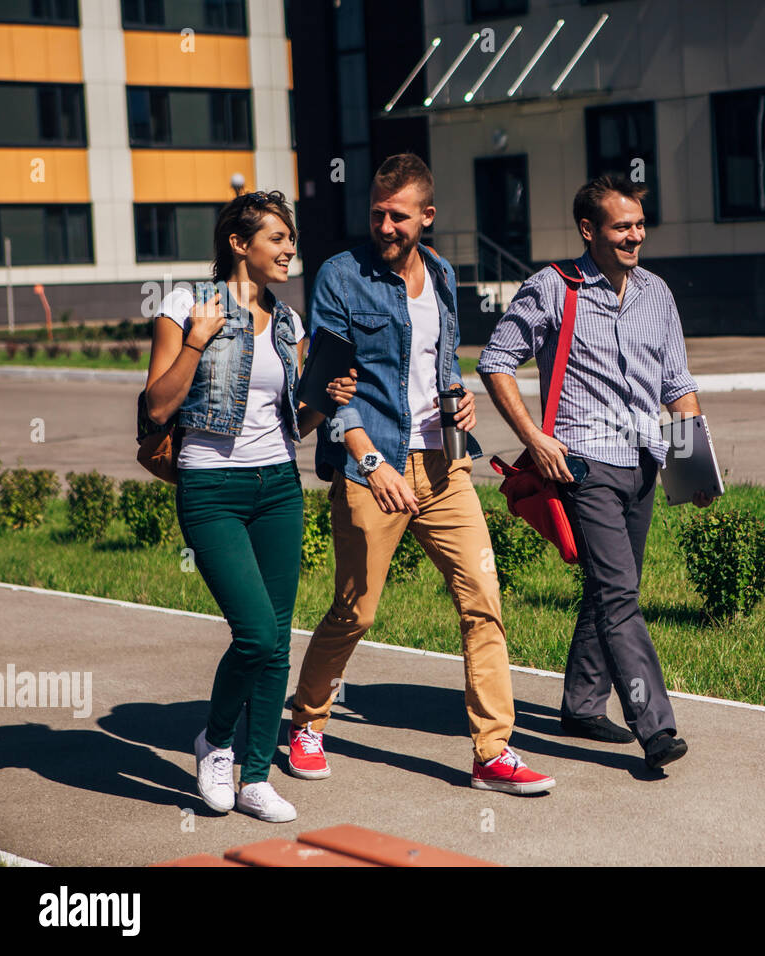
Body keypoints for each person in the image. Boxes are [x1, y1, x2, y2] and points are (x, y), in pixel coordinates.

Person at [287, 153, 554, 796]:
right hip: (370, 464)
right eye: (377, 213)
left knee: (483, 601)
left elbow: (443, 360)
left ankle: (493, 751)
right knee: (356, 609)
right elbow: (330, 382)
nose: (384, 226)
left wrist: (459, 395)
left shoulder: (439, 273)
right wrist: (370, 462)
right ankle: (307, 722)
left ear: (426, 217)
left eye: (398, 216)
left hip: (444, 463)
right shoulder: (339, 278)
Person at [478, 174, 710, 773]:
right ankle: (654, 726)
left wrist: (694, 469)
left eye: (639, 224)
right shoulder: (553, 288)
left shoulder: (657, 292)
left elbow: (677, 386)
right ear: (589, 231)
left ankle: (581, 705)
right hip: (585, 463)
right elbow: (496, 360)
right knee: (618, 595)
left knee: (614, 587)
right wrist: (534, 438)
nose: (635, 236)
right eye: (621, 227)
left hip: (645, 463)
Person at [143, 190, 357, 822]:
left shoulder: (287, 322)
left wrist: (326, 399)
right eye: (278, 239)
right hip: (210, 488)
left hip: (277, 488)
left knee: (278, 639)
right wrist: (194, 343)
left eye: (292, 240)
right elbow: (157, 408)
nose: (291, 249)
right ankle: (215, 741)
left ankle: (256, 776)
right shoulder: (186, 307)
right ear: (240, 244)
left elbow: (294, 421)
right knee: (256, 633)